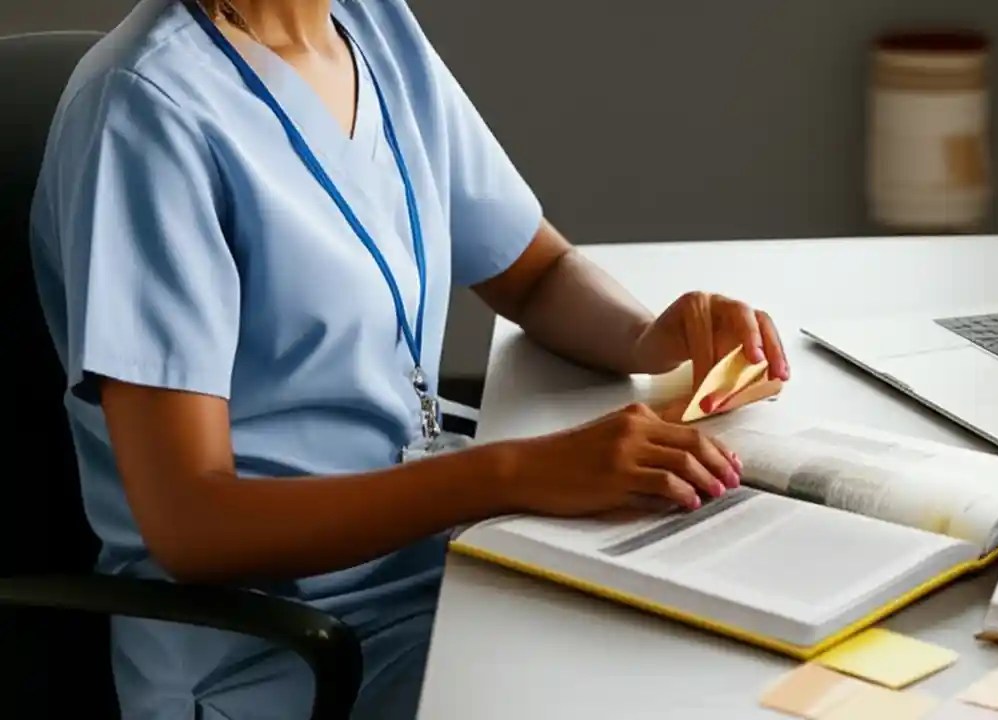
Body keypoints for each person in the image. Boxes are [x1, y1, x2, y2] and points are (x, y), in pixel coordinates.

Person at [29, 0, 789, 717]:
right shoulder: (142, 112)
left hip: (447, 571)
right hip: (280, 650)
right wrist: (513, 473)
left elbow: (535, 272)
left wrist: (649, 338)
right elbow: (191, 523)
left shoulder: (373, 26)